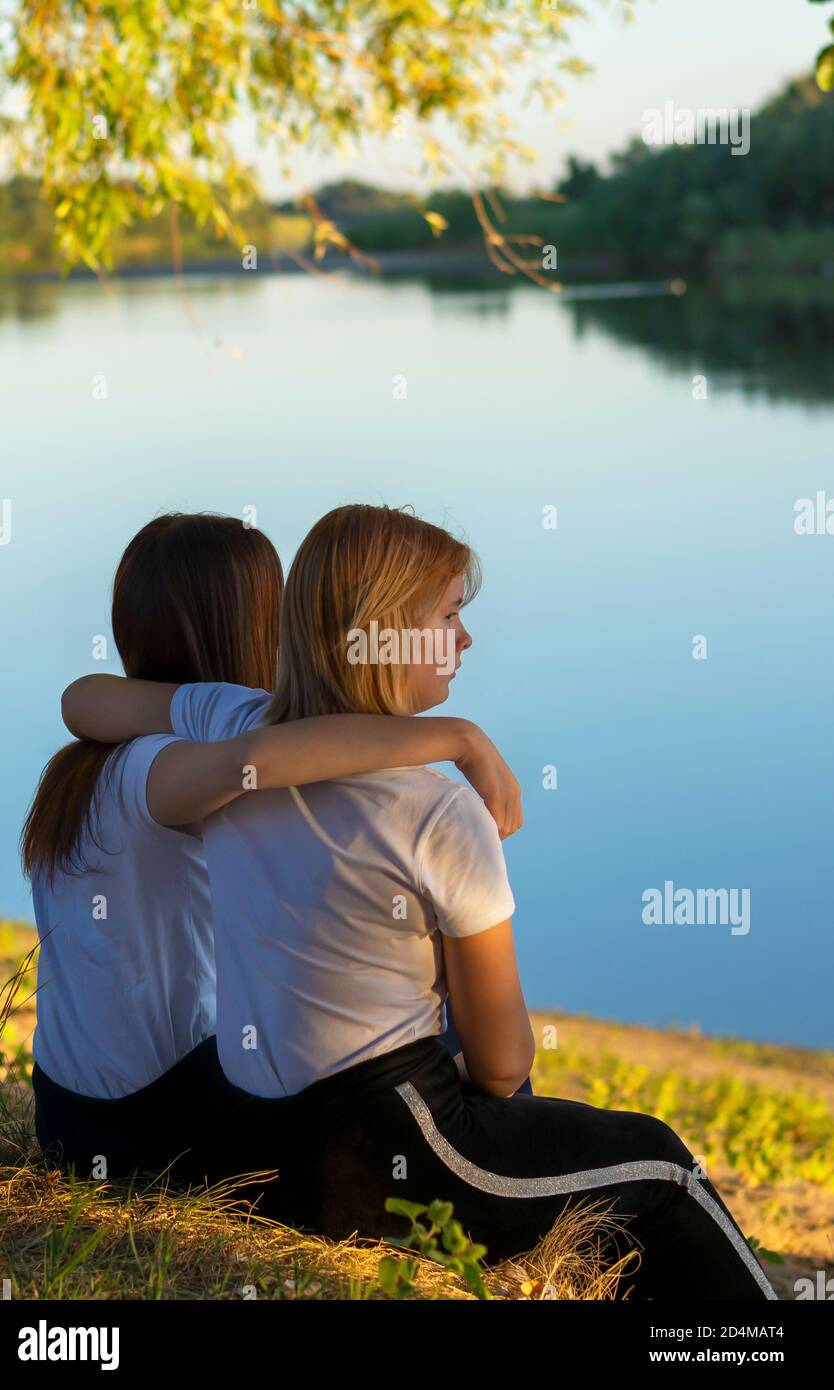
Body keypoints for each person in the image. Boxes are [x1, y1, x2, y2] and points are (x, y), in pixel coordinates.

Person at [65, 504, 777, 1301]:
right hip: (382, 1159)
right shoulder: (439, 813)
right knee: (663, 1165)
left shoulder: (229, 730)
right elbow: (506, 1065)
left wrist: (452, 734)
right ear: (387, 632)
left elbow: (86, 704)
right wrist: (458, 737)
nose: (466, 638)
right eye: (448, 614)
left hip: (268, 1145)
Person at [25, 511, 521, 1187]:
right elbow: (258, 755)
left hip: (67, 1113)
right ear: (250, 623)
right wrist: (459, 737)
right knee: (462, 1036)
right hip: (150, 1128)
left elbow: (81, 698)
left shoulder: (92, 767)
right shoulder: (162, 767)